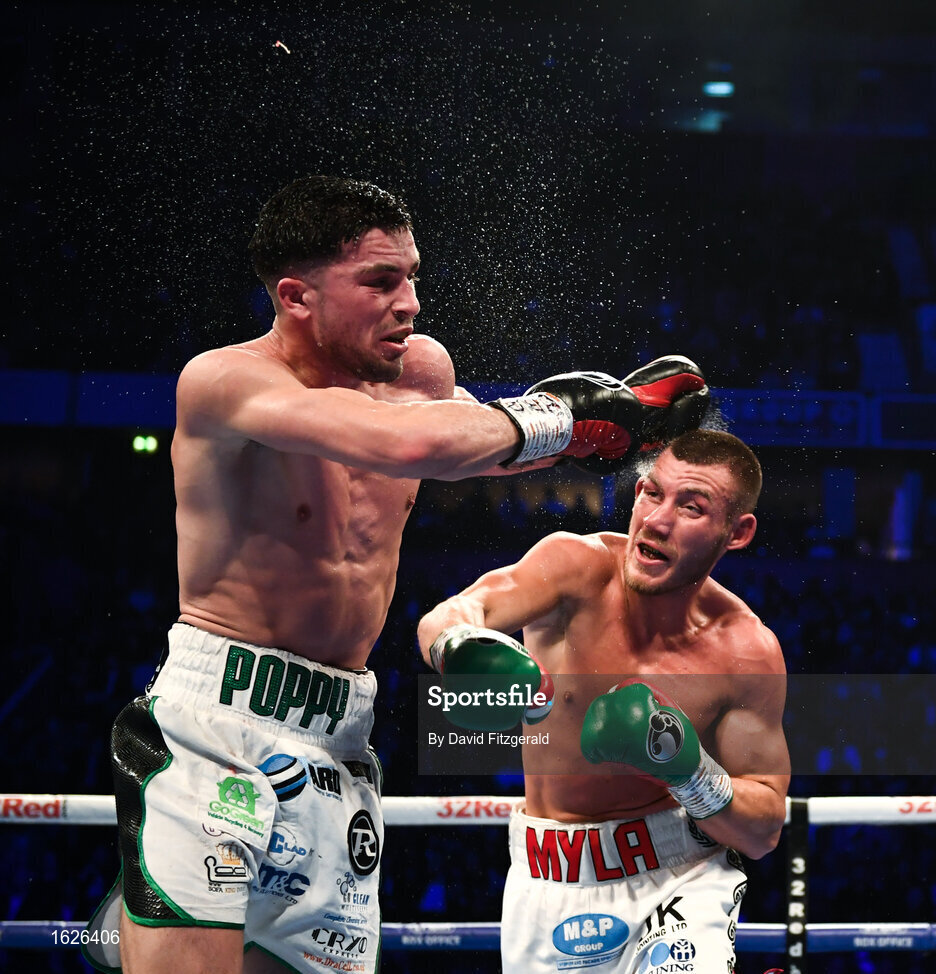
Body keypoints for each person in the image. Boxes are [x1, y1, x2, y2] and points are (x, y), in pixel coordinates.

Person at [82, 174, 710, 974]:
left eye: (413, 276)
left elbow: (466, 452)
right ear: (296, 296)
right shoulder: (223, 382)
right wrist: (561, 412)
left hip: (340, 738)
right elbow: (397, 444)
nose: (409, 302)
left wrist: (606, 429)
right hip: (216, 729)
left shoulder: (420, 372)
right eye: (381, 282)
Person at [417, 428, 790, 973]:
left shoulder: (745, 652)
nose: (657, 520)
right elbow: (451, 615)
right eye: (651, 492)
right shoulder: (574, 568)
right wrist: (465, 651)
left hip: (678, 877)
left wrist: (687, 770)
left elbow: (763, 830)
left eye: (691, 507)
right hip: (548, 876)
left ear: (737, 532)